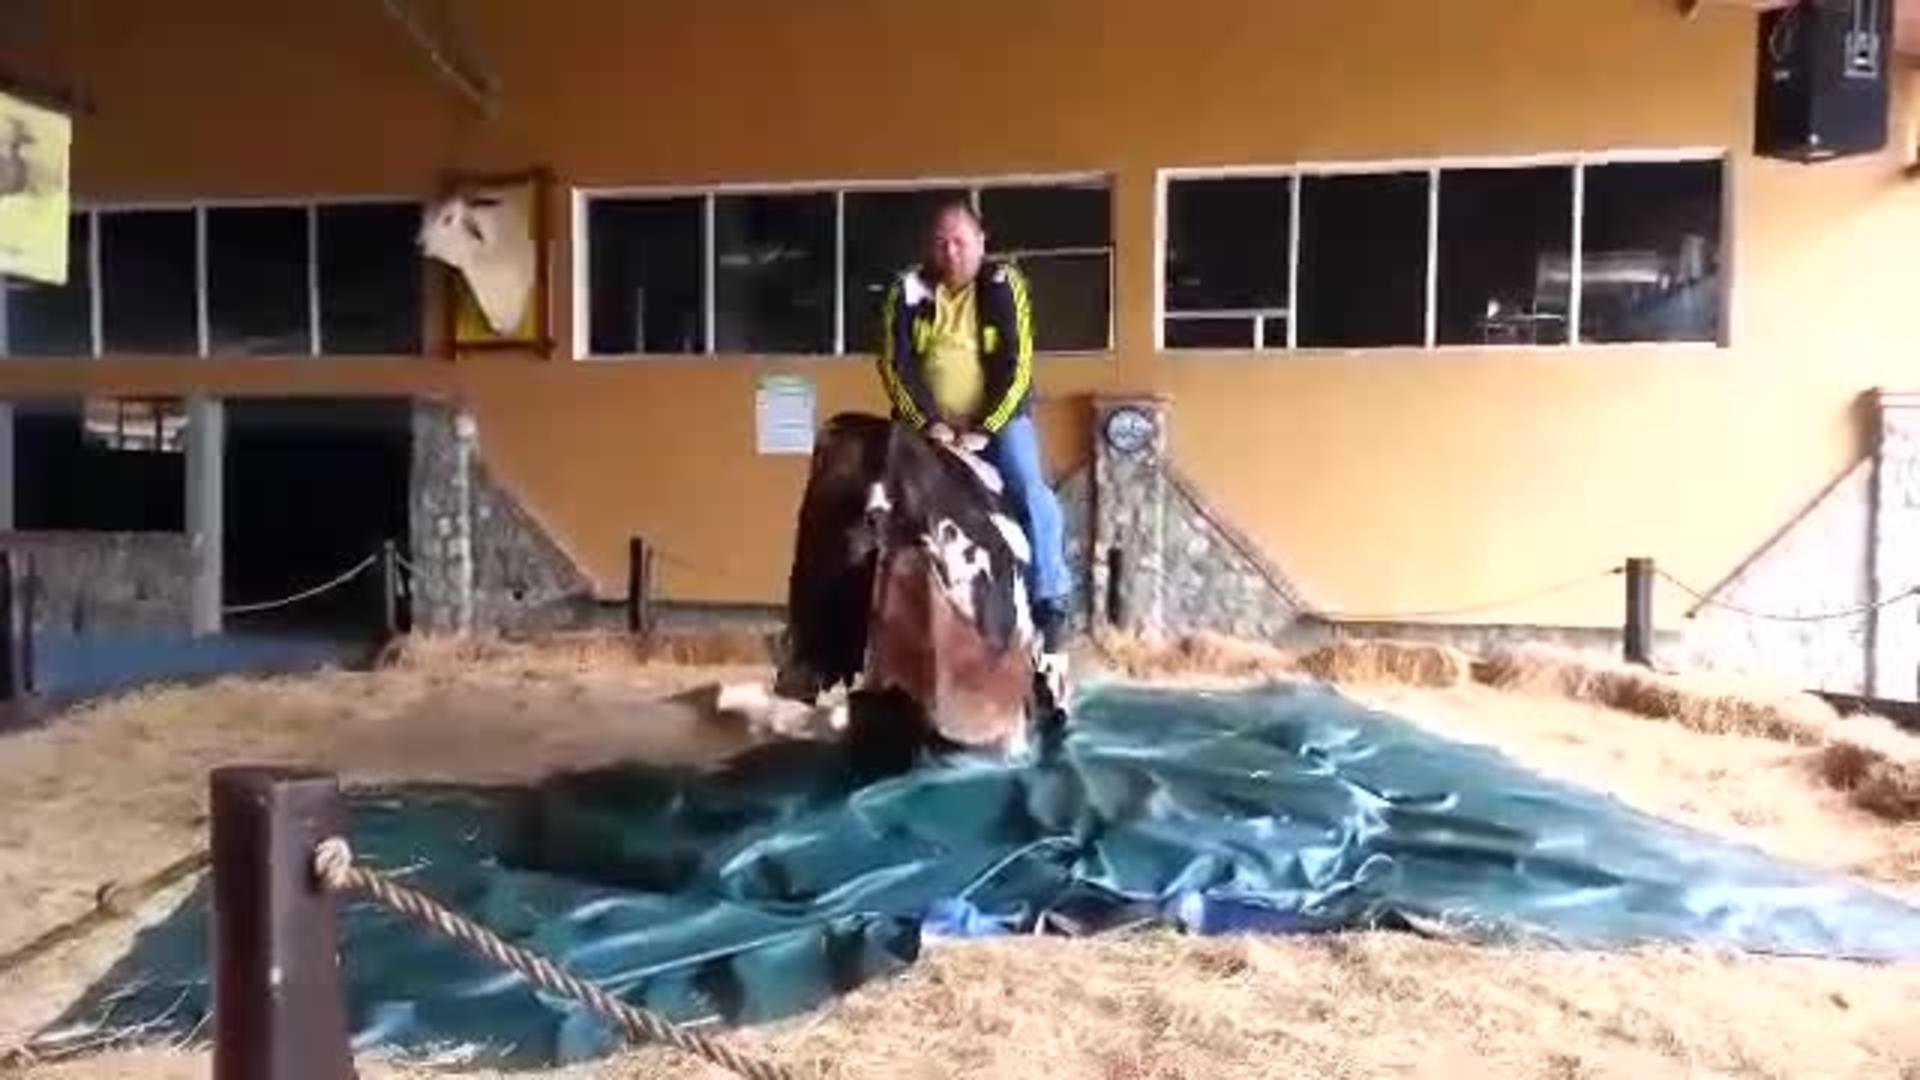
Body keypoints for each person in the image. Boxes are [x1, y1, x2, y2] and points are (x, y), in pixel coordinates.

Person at [876, 200, 1070, 655]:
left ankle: (1051, 602)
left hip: (997, 424)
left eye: (961, 242)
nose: (951, 252)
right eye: (942, 243)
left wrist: (985, 428)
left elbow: (1017, 366)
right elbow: (895, 365)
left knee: (1029, 489)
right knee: (877, 501)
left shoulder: (1004, 285)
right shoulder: (906, 290)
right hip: (928, 429)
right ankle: (853, 624)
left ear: (982, 243)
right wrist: (929, 424)